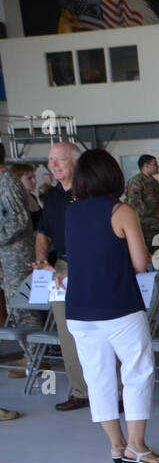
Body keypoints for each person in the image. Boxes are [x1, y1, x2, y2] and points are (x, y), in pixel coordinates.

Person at [62, 149, 159, 463]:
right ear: (114, 177)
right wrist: (144, 256)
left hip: (79, 308)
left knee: (98, 377)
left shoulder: (72, 211)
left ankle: (116, 445)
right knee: (137, 370)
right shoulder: (121, 210)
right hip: (117, 304)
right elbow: (138, 263)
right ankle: (138, 446)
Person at [33, 143, 91, 410]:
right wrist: (42, 258)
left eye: (60, 160)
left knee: (98, 331)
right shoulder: (52, 197)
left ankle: (115, 393)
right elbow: (43, 231)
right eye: (50, 161)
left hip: (92, 267)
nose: (53, 166)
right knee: (67, 334)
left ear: (76, 163)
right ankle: (81, 392)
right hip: (60, 270)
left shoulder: (91, 194)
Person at [0, 147, 39, 346]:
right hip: (7, 256)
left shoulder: (8, 182)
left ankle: (35, 356)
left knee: (22, 305)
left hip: (17, 255)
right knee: (12, 305)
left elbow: (19, 219)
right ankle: (28, 355)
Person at [124, 154, 159, 249]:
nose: (158, 166)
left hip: (156, 226)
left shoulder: (153, 182)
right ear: (146, 166)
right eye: (155, 164)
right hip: (144, 228)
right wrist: (154, 214)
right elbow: (135, 205)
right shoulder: (136, 182)